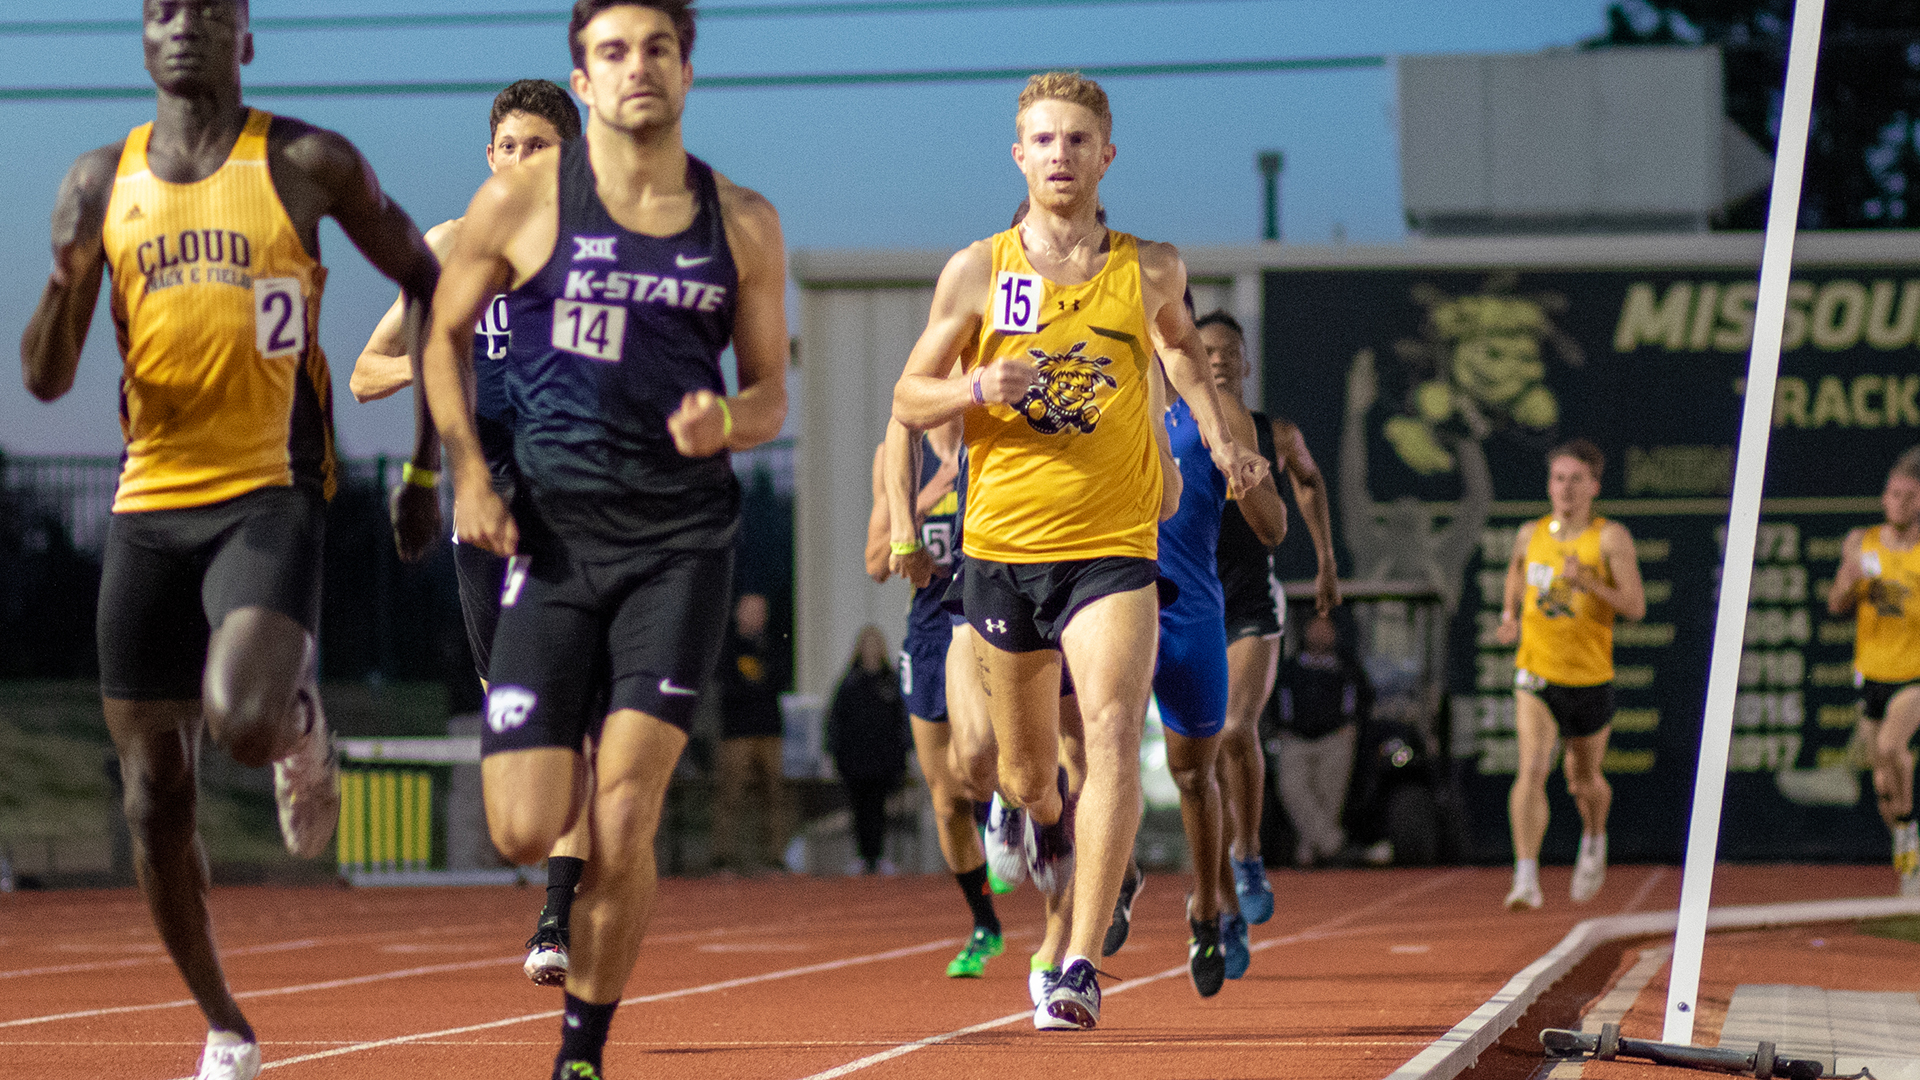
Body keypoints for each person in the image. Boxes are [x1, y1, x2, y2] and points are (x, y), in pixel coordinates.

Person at [18, 3, 439, 1077]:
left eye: (211, 9)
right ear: (142, 37)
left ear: (245, 35)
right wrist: (68, 281)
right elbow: (45, 375)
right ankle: (225, 1025)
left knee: (240, 721)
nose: (186, 26)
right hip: (148, 506)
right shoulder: (96, 183)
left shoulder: (305, 161)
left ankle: (297, 716)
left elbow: (431, 285)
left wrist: (428, 464)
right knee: (155, 796)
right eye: (164, 9)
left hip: (270, 491)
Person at [418, 2, 789, 1076]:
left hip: (680, 545)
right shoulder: (522, 205)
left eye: (658, 48)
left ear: (687, 68)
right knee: (525, 824)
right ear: (582, 78)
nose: (638, 68)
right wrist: (469, 474)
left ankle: (581, 1052)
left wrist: (725, 420)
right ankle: (560, 823)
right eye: (613, 51)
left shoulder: (743, 221)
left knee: (625, 808)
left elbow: (769, 394)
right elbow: (437, 339)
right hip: (552, 543)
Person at [891, 71, 1267, 1031]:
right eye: (1043, 141)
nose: (1061, 155)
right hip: (1004, 549)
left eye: (1078, 139)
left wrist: (1222, 437)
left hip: (1113, 544)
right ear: (1020, 157)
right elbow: (908, 397)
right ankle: (1027, 809)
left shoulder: (1151, 268)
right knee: (1022, 774)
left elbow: (1178, 349)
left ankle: (1078, 967)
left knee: (1108, 734)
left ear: (1108, 155)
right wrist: (978, 388)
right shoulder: (977, 271)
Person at [349, 78, 588, 990]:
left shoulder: (596, 255)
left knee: (569, 722)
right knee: (516, 739)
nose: (519, 160)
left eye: (538, 145)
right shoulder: (448, 249)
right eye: (507, 145)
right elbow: (367, 373)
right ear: (487, 156)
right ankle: (560, 874)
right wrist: (443, 349)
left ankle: (557, 915)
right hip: (482, 522)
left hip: (575, 518)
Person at [1153, 345, 1288, 997]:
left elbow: (1276, 522)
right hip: (1111, 590)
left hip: (1202, 600)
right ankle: (1114, 885)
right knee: (1097, 741)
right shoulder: (1088, 382)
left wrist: (1247, 478)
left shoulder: (1219, 410)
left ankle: (1212, 904)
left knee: (1195, 767)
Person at [1199, 308, 1340, 924]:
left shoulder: (1272, 432)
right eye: (1207, 351)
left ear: (1248, 363)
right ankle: (1213, 900)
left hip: (1251, 597)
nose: (1220, 359)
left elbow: (1309, 481)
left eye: (1231, 350)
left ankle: (1248, 851)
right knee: (1196, 756)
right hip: (1189, 602)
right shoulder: (1172, 427)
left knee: (1235, 729)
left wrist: (1326, 559)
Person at [867, 416, 1010, 975]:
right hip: (928, 636)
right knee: (947, 798)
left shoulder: (996, 437)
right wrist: (925, 498)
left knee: (988, 758)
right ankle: (984, 925)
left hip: (989, 622)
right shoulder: (899, 455)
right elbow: (876, 562)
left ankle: (1018, 823)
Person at [1493, 439, 1645, 911]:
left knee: (1583, 781)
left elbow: (1636, 607)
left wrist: (1589, 583)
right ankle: (1525, 876)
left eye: (1576, 479)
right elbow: (1516, 574)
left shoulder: (1609, 538)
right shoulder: (1529, 534)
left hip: (1589, 678)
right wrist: (1508, 615)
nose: (1566, 489)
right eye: (1558, 478)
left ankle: (1594, 837)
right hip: (1537, 673)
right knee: (1533, 767)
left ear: (1594, 486)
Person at [1827, 446, 1920, 897]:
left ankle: (1908, 831)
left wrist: (1902, 597)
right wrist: (1854, 584)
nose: (1897, 502)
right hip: (1872, 673)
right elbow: (1835, 605)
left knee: (1889, 744)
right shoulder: (1861, 543)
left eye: (1908, 495)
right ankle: (1905, 832)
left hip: (1915, 674)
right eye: (1892, 493)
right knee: (1884, 781)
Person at [1274, 614, 1370, 867]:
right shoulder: (1289, 668)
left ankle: (1309, 851)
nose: (1320, 634)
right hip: (1295, 738)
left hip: (1335, 738)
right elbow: (1273, 699)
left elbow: (1363, 699)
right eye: (1315, 628)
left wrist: (1351, 725)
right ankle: (1333, 844)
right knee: (1292, 789)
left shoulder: (1347, 667)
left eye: (1325, 629)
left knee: (1328, 795)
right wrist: (1279, 727)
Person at [713, 593, 792, 872]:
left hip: (769, 730)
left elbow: (781, 679)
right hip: (737, 732)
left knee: (774, 796)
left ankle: (774, 858)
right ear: (737, 613)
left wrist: (755, 687)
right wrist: (757, 687)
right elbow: (727, 683)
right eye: (750, 611)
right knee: (731, 796)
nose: (756, 616)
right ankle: (724, 858)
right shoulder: (727, 645)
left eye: (760, 611)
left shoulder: (773, 644)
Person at [826, 626, 912, 874]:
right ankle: (863, 856)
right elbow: (835, 719)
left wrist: (905, 751)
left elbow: (902, 720)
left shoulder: (892, 681)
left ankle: (879, 855)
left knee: (879, 809)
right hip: (855, 758)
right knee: (859, 809)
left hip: (884, 758)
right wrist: (833, 751)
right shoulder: (849, 681)